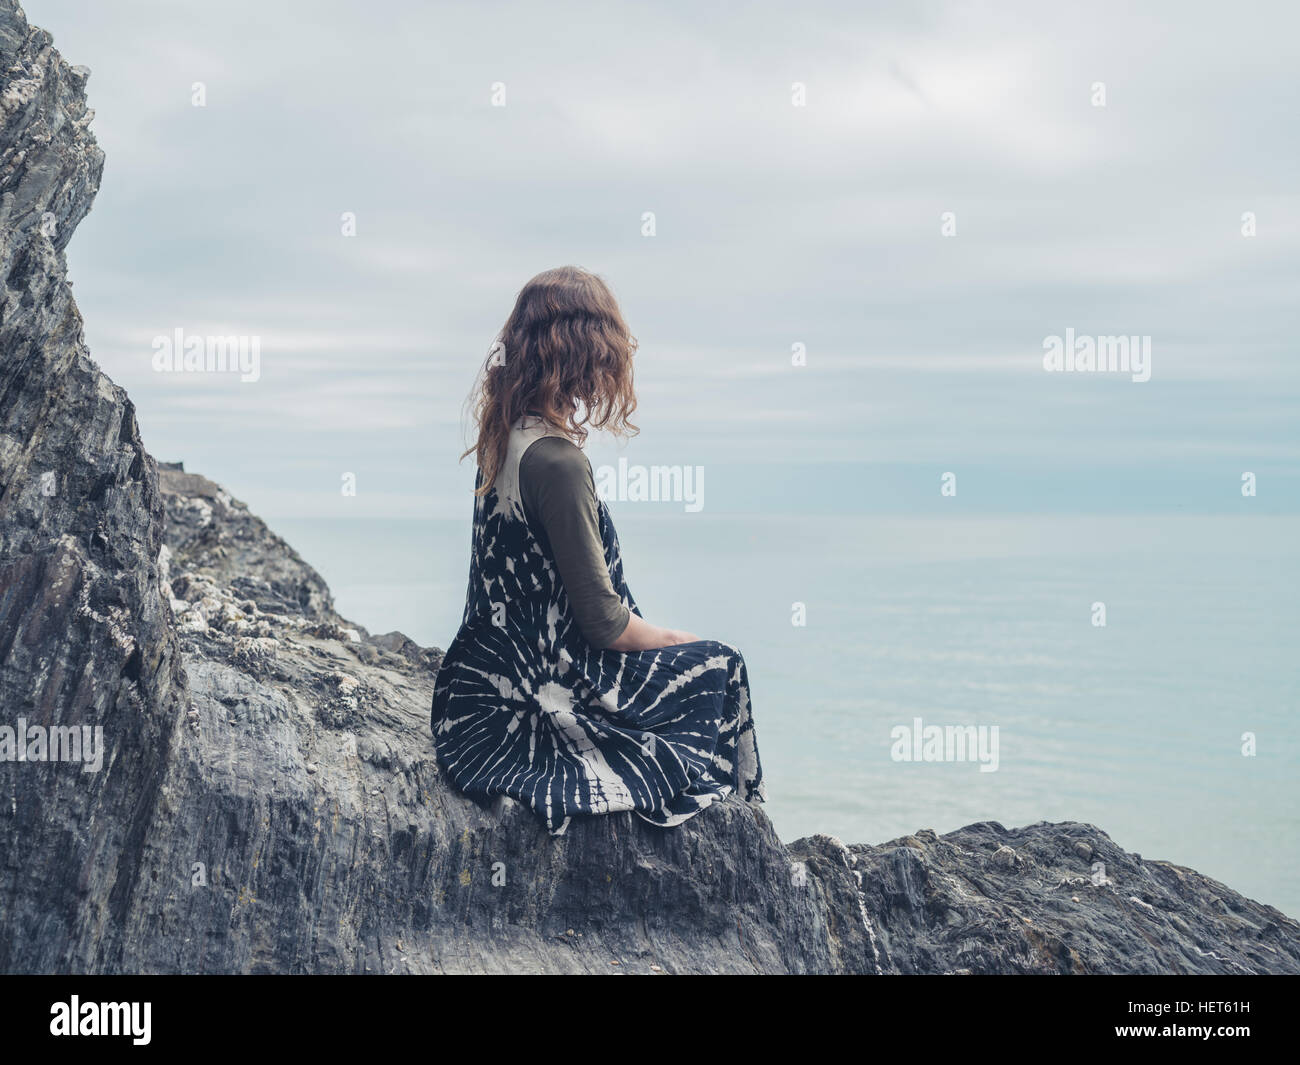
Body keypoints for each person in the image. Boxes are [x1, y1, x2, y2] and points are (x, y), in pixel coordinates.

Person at [430, 265, 765, 835]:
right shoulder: (557, 462)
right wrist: (677, 638)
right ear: (585, 353)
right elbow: (604, 624)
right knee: (722, 664)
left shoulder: (507, 439)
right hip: (543, 695)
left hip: (479, 688)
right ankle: (744, 833)